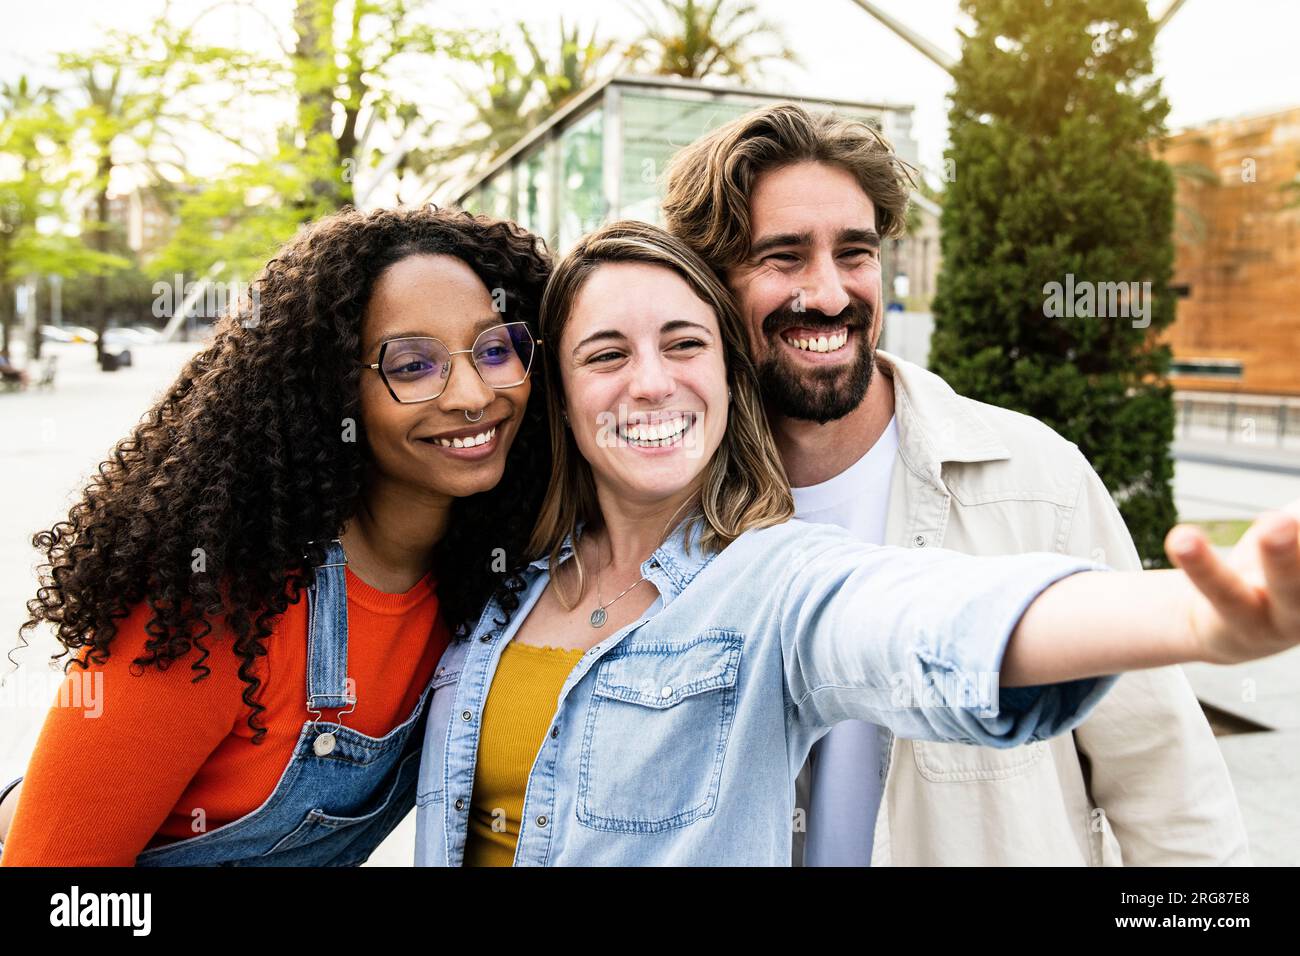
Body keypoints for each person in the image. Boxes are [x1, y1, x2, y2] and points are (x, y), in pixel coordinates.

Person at [412, 220, 1300, 867]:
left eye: (684, 345)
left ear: (729, 376)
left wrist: (1190, 621)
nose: (651, 382)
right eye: (606, 355)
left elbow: (928, 622)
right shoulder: (500, 588)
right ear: (561, 397)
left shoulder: (772, 580)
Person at [661, 102, 1250, 866]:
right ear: (708, 284)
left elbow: (1171, 795)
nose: (832, 294)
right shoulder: (666, 508)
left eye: (855, 253)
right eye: (784, 257)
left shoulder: (1039, 480)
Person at [0, 206, 551, 866]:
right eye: (412, 365)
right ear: (332, 392)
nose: (472, 394)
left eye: (494, 350)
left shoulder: (489, 579)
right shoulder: (211, 615)